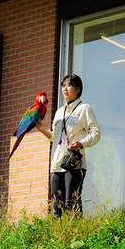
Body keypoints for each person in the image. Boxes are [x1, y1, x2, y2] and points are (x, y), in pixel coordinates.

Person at [36, 74, 100, 217]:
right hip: (57, 163)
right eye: (63, 85)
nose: (65, 88)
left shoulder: (84, 108)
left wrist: (81, 143)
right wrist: (41, 129)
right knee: (56, 206)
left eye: (69, 85)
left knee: (72, 203)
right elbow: (55, 137)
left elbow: (96, 133)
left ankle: (76, 234)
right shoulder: (59, 112)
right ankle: (59, 235)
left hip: (74, 163)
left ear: (77, 89)